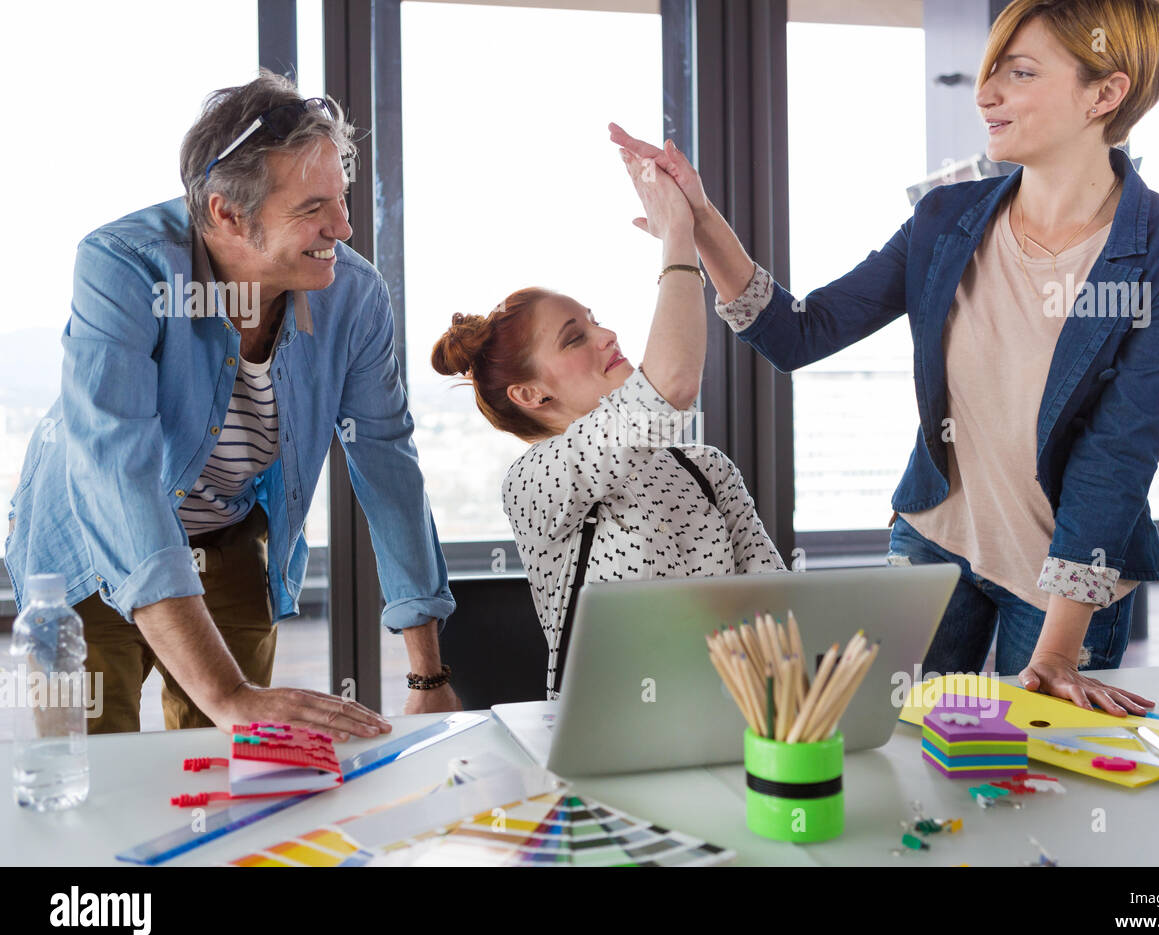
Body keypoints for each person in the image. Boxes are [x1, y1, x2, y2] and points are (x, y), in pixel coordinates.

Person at [611, 0, 1159, 717]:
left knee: (1040, 784)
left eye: (1019, 73)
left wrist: (1056, 655)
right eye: (991, 70)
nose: (986, 93)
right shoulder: (946, 220)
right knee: (900, 753)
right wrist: (700, 220)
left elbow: (1120, 446)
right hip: (935, 542)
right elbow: (797, 333)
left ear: (1105, 94)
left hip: (1066, 581)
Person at [5, 71, 460, 737]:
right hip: (88, 541)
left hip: (227, 538)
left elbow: (386, 460)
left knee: (229, 768)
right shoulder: (124, 265)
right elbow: (117, 472)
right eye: (312, 209)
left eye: (341, 198)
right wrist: (224, 692)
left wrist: (428, 675)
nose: (344, 225)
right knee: (98, 770)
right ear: (226, 213)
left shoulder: (354, 295)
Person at [431, 147, 784, 698]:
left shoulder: (707, 468)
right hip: (608, 741)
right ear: (530, 393)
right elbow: (669, 388)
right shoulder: (534, 481)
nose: (607, 336)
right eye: (575, 337)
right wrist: (678, 234)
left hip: (731, 728)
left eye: (594, 321)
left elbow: (779, 615)